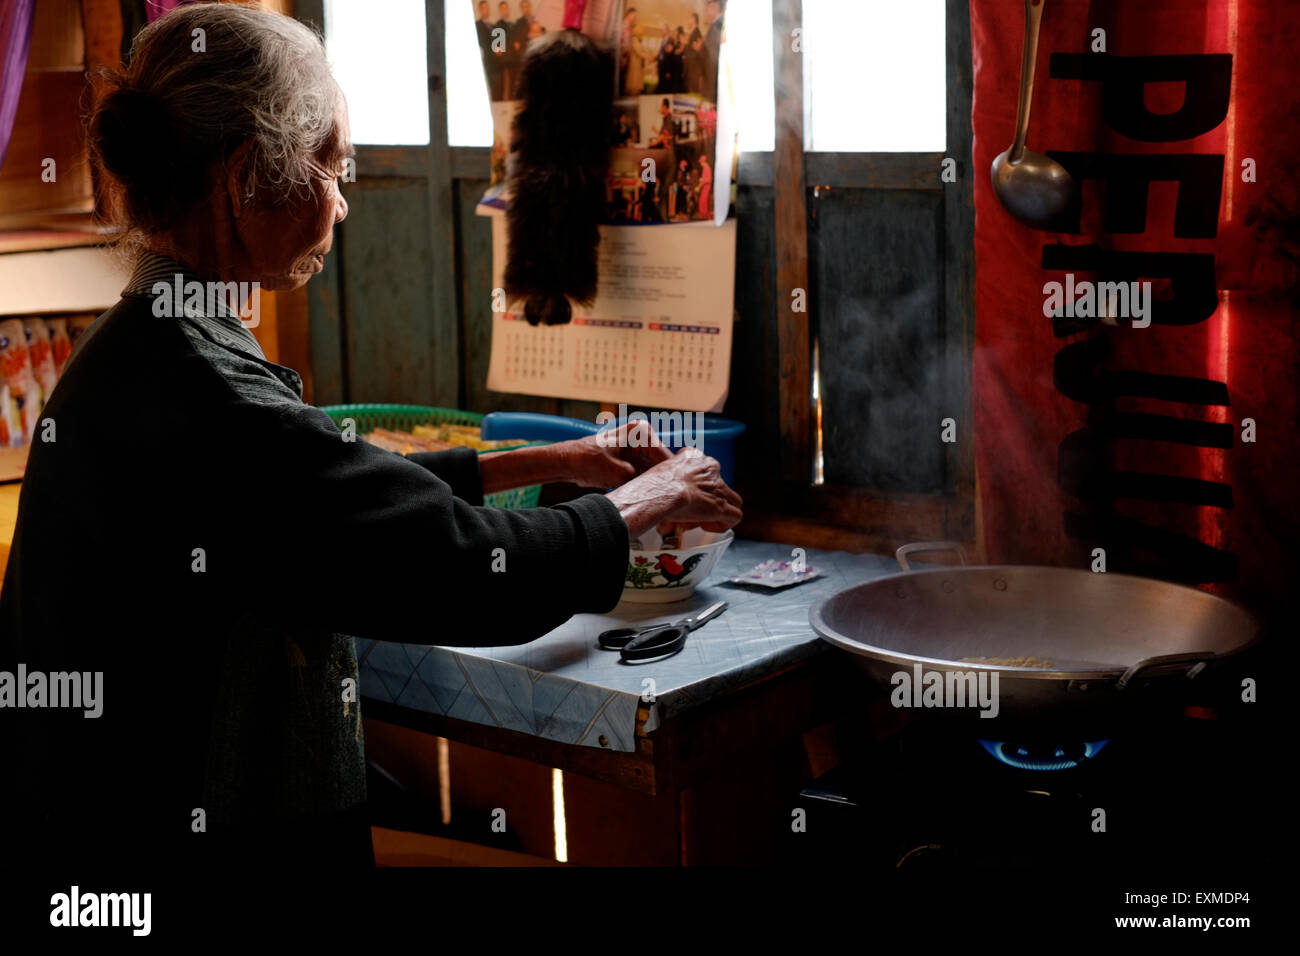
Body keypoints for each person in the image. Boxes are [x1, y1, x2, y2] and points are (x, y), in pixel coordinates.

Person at [0, 3, 741, 878]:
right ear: (245, 177)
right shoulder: (210, 390)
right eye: (331, 169)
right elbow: (464, 568)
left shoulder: (143, 340)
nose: (343, 202)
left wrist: (551, 460)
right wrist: (647, 498)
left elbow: (325, 498)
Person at [701, 1, 724, 103]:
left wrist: (709, 88)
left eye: (708, 9)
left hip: (713, 84)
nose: (706, 12)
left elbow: (713, 59)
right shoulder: (715, 26)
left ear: (715, 8)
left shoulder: (718, 26)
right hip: (712, 83)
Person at [696, 153, 713, 220]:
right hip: (704, 187)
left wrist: (700, 184)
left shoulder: (706, 168)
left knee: (704, 201)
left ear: (703, 161)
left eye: (700, 162)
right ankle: (704, 215)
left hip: (706, 187)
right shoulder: (705, 168)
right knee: (702, 201)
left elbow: (708, 179)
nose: (700, 163)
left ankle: (705, 216)